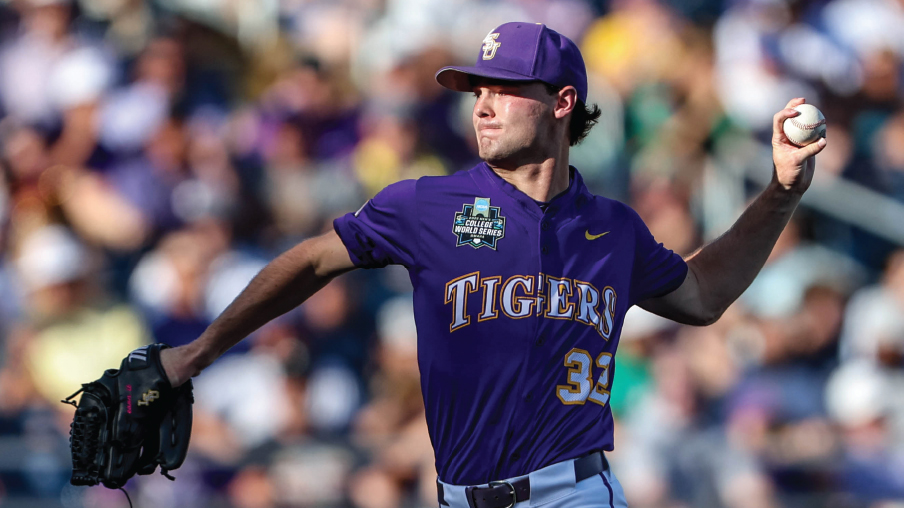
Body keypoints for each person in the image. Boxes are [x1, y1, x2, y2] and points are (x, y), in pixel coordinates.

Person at [159, 22, 826, 508]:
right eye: (477, 88)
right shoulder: (427, 204)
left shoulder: (613, 230)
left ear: (562, 103)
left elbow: (704, 295)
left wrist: (782, 189)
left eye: (505, 89)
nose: (481, 103)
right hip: (455, 498)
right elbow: (310, 262)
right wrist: (194, 354)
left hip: (575, 495)